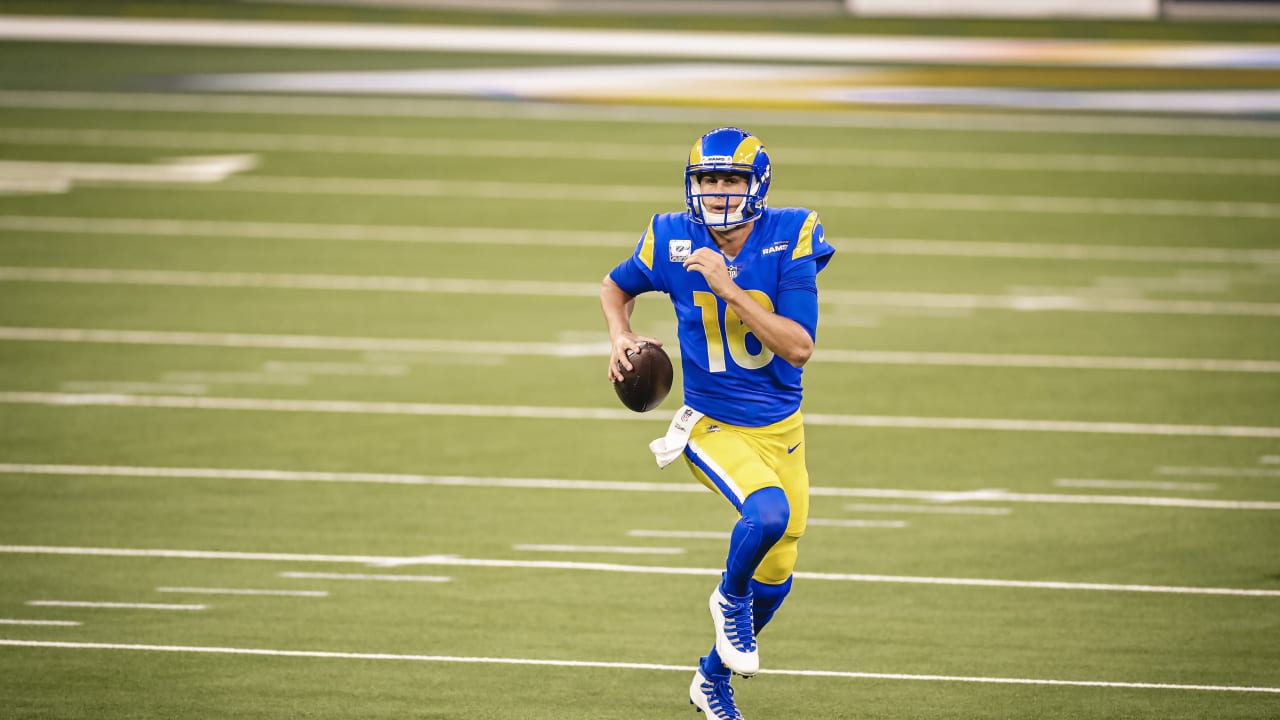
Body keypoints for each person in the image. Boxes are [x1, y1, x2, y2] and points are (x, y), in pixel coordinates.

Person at [599, 126, 834, 720]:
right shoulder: (670, 235)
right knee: (767, 513)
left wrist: (729, 288)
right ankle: (727, 596)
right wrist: (619, 335)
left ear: (756, 186)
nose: (718, 190)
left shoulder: (792, 234)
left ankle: (710, 679)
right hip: (711, 422)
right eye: (708, 178)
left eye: (731, 178)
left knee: (777, 578)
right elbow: (614, 285)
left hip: (782, 428)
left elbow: (799, 347)